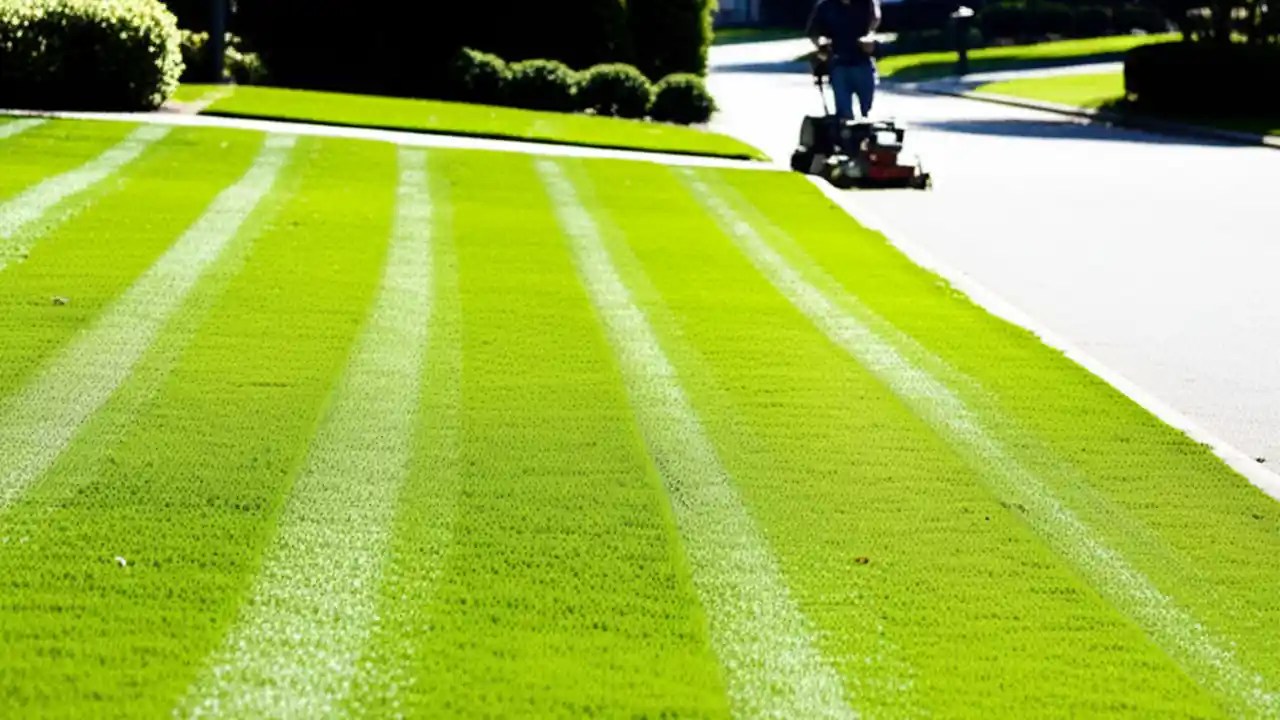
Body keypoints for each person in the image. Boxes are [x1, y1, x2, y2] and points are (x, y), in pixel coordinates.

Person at [806, 0, 881, 119]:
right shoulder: (825, 6)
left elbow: (875, 18)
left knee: (867, 110)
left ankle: (866, 133)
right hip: (838, 64)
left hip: (862, 62)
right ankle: (847, 133)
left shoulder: (866, 3)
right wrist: (821, 43)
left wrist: (870, 35)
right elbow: (813, 32)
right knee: (844, 113)